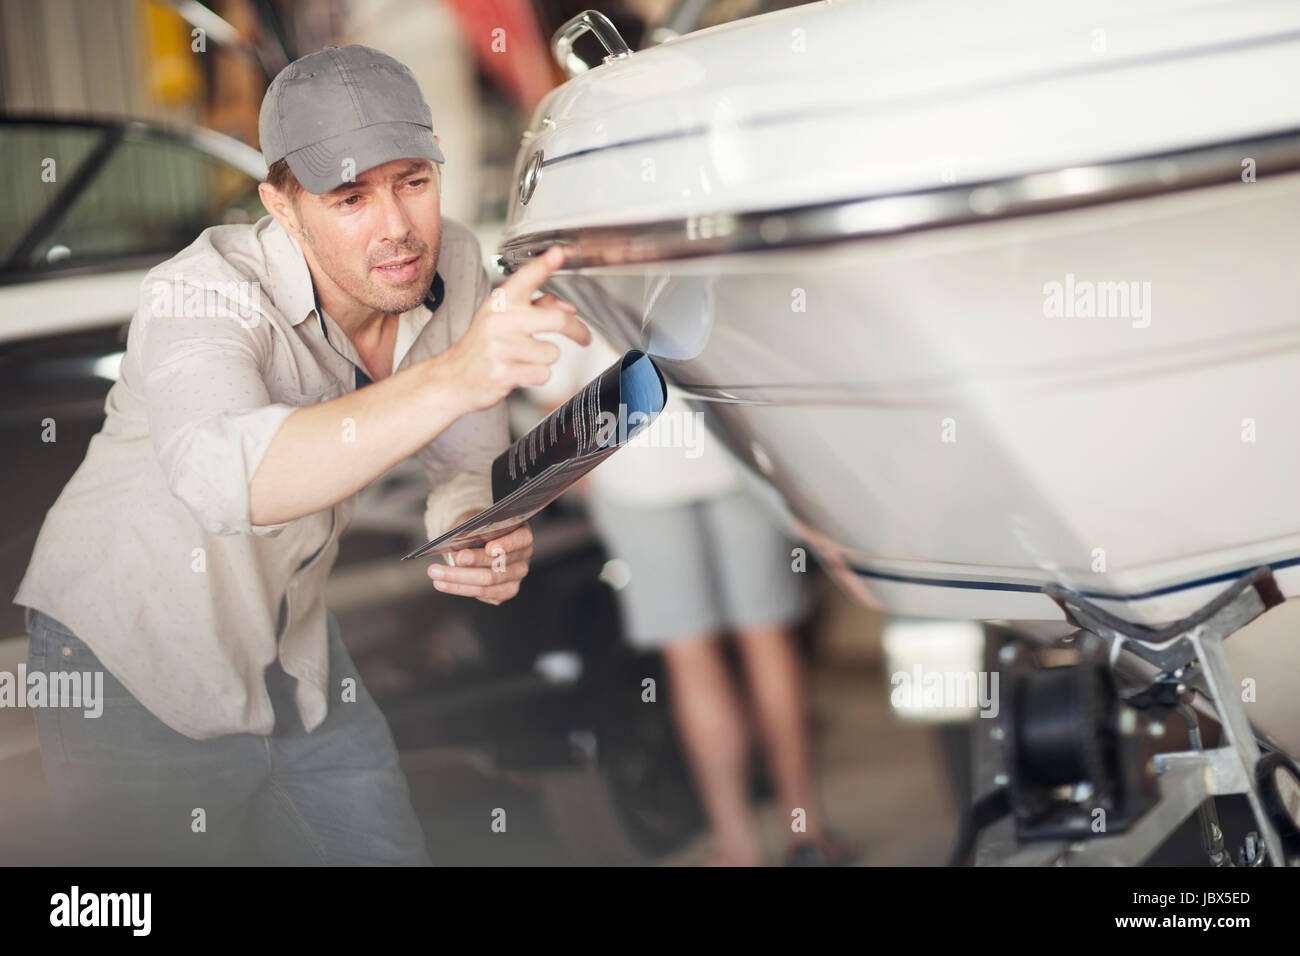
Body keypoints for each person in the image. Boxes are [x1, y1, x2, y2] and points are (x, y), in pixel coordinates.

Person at [11, 44, 590, 865]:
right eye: (349, 197)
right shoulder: (199, 292)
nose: (397, 229)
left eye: (413, 182)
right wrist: (456, 376)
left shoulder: (453, 259)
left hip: (297, 649)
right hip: (130, 655)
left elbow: (461, 461)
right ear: (282, 207)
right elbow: (223, 476)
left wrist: (474, 527)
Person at [530, 336, 854, 866]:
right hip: (734, 455)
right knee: (768, 638)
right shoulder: (690, 250)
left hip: (637, 474)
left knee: (690, 656)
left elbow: (557, 403)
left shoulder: (567, 261)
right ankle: (808, 833)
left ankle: (739, 846)